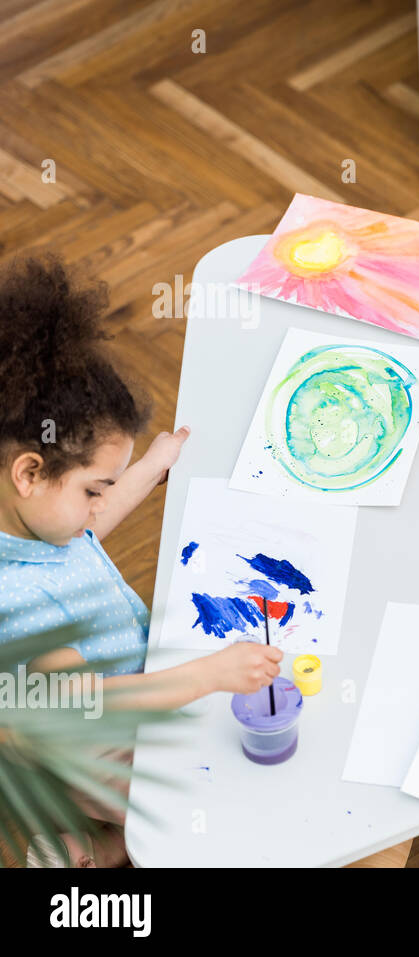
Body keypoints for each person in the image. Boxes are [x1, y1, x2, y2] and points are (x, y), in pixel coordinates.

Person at [0, 255, 281, 865]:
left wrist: (152, 467)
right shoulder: (14, 602)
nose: (99, 503)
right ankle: (89, 850)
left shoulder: (37, 516)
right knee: (185, 813)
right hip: (93, 744)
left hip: (126, 687)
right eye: (95, 487)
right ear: (30, 472)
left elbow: (86, 524)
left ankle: (85, 845)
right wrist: (209, 674)